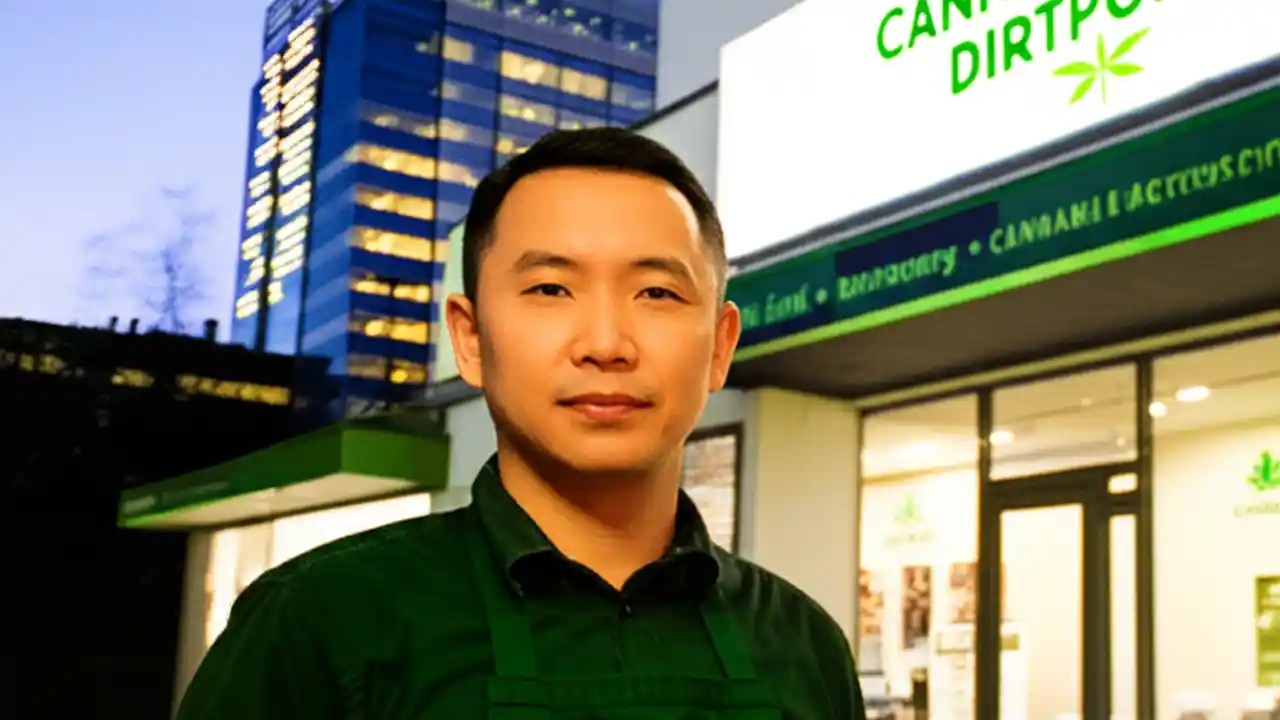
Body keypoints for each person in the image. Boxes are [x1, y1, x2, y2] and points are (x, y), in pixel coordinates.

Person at [176, 127, 867, 719]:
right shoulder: (319, 621)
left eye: (656, 292)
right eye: (550, 289)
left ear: (719, 346)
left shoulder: (803, 644)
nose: (605, 342)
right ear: (470, 338)